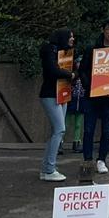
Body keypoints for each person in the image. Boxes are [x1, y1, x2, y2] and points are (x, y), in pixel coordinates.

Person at [79, 19, 109, 173]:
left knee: (107, 130)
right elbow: (83, 71)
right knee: (88, 129)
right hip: (92, 96)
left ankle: (101, 159)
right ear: (103, 30)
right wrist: (91, 87)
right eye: (108, 29)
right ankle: (87, 159)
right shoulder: (92, 48)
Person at [38, 29, 76, 181]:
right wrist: (69, 75)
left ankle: (48, 166)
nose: (73, 39)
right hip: (50, 94)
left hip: (62, 93)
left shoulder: (65, 52)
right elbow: (52, 71)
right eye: (70, 36)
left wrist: (72, 74)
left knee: (57, 130)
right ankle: (48, 169)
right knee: (60, 129)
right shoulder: (50, 50)